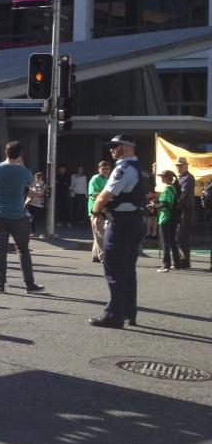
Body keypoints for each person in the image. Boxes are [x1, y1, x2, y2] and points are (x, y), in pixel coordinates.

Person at [90, 134, 150, 327]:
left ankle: (113, 315)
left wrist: (95, 212)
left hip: (120, 224)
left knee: (115, 270)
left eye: (115, 146)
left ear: (126, 146)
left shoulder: (122, 170)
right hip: (136, 222)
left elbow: (103, 197)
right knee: (128, 270)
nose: (111, 150)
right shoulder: (141, 169)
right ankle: (128, 312)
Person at [0, 139, 44, 295]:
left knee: (1, 250)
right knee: (23, 250)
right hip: (19, 216)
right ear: (21, 155)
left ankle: (0, 285)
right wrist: (21, 163)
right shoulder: (24, 172)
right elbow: (33, 186)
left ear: (6, 152)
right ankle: (29, 284)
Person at [156, 169, 181, 273]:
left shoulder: (166, 189)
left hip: (165, 217)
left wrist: (155, 205)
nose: (161, 178)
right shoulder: (174, 188)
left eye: (162, 176)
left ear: (166, 178)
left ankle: (166, 264)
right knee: (172, 241)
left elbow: (165, 204)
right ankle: (177, 263)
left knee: (165, 242)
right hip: (173, 217)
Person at [87, 162, 111, 263]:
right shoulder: (96, 178)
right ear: (99, 169)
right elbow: (94, 194)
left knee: (99, 232)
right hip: (96, 210)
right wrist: (109, 197)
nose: (105, 170)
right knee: (100, 233)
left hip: (104, 208)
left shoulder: (108, 179)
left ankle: (96, 255)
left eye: (107, 169)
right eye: (103, 168)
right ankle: (103, 256)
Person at [174, 157, 195, 269]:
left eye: (181, 165)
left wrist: (174, 202)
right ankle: (182, 260)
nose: (178, 167)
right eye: (177, 165)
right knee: (179, 236)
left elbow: (183, 194)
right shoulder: (179, 178)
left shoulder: (188, 177)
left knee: (183, 236)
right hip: (179, 211)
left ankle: (185, 261)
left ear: (186, 166)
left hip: (185, 211)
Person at [26, 171, 48, 239]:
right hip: (31, 202)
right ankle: (31, 232)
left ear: (40, 177)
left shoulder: (43, 185)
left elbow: (41, 194)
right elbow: (29, 191)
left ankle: (34, 232)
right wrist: (33, 192)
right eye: (35, 177)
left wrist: (33, 192)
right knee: (28, 217)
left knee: (34, 218)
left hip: (38, 204)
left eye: (37, 177)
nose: (35, 178)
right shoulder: (33, 183)